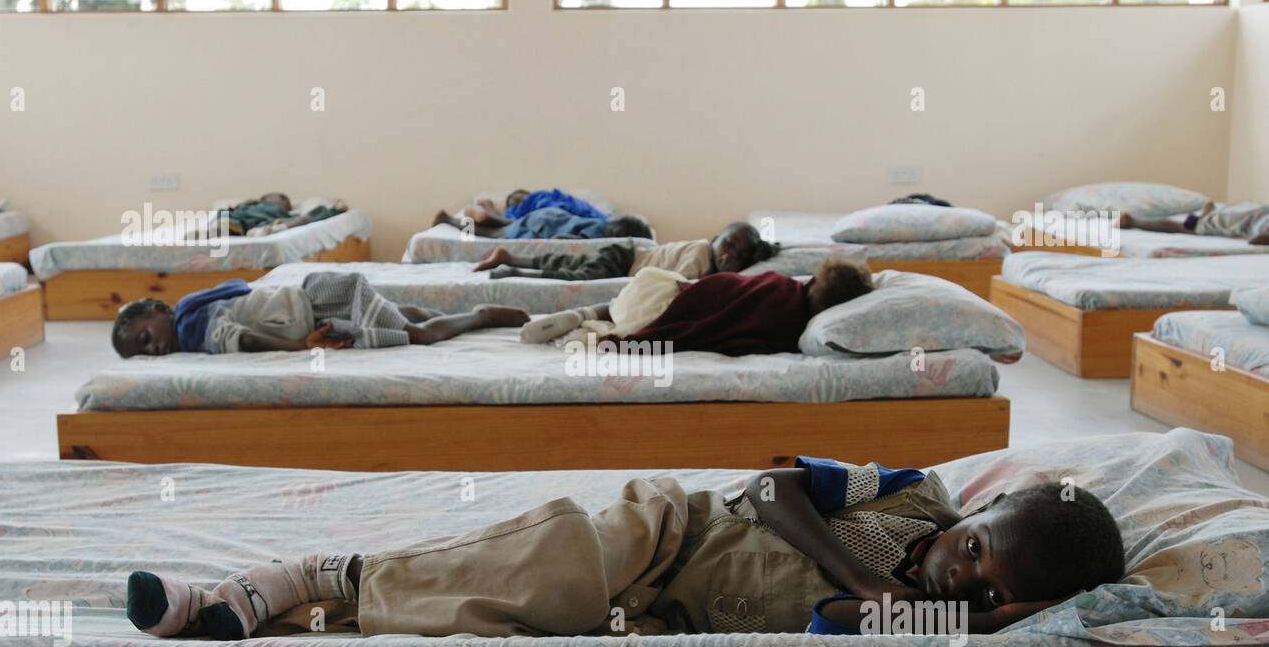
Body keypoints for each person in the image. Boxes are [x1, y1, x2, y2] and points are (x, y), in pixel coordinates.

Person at [124, 456, 1126, 641]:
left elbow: (843, 624)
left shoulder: (922, 623)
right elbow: (774, 484)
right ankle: (302, 576)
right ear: (974, 516)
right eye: (982, 545)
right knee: (547, 564)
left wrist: (997, 615)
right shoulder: (914, 494)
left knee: (494, 618)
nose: (967, 566)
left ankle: (271, 614)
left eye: (990, 584)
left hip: (661, 614)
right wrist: (862, 562)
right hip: (667, 534)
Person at [519, 256, 874, 357]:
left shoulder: (780, 283)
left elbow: (727, 294)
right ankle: (591, 325)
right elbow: (727, 333)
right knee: (626, 324)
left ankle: (589, 312)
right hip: (654, 312)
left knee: (619, 306)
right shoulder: (789, 323)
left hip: (655, 289)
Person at [110, 272, 528, 357]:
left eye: (146, 338)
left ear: (159, 310)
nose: (153, 351)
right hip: (315, 291)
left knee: (417, 334)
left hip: (319, 305)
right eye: (141, 354)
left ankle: (480, 315)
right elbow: (242, 292)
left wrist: (298, 346)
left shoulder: (190, 324)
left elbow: (244, 338)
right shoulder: (192, 305)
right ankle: (453, 316)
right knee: (395, 314)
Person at [473, 221, 780, 281]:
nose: (729, 255)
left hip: (628, 254)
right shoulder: (700, 252)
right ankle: (516, 271)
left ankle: (511, 256)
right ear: (714, 238)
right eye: (727, 244)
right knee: (580, 273)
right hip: (627, 259)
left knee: (571, 259)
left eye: (738, 255)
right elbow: (679, 284)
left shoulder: (710, 259)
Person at [440, 188, 609, 237]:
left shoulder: (525, 205)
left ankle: (485, 212)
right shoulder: (552, 195)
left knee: (505, 226)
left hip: (548, 217)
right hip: (553, 216)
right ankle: (450, 220)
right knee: (499, 231)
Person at [434, 205, 652, 242]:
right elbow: (562, 239)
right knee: (495, 235)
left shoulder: (600, 223)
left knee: (511, 223)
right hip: (544, 228)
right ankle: (449, 220)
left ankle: (488, 214)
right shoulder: (598, 236)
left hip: (549, 215)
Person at [1119, 200, 1269, 245]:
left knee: (1198, 223)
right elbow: (1255, 241)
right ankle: (1132, 221)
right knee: (1188, 228)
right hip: (1236, 219)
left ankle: (1207, 213)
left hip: (1249, 211)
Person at [211, 193, 347, 238]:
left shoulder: (286, 213)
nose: (284, 202)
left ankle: (273, 229)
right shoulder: (250, 204)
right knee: (224, 213)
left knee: (309, 216)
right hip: (257, 219)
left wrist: (335, 210)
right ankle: (221, 229)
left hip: (270, 220)